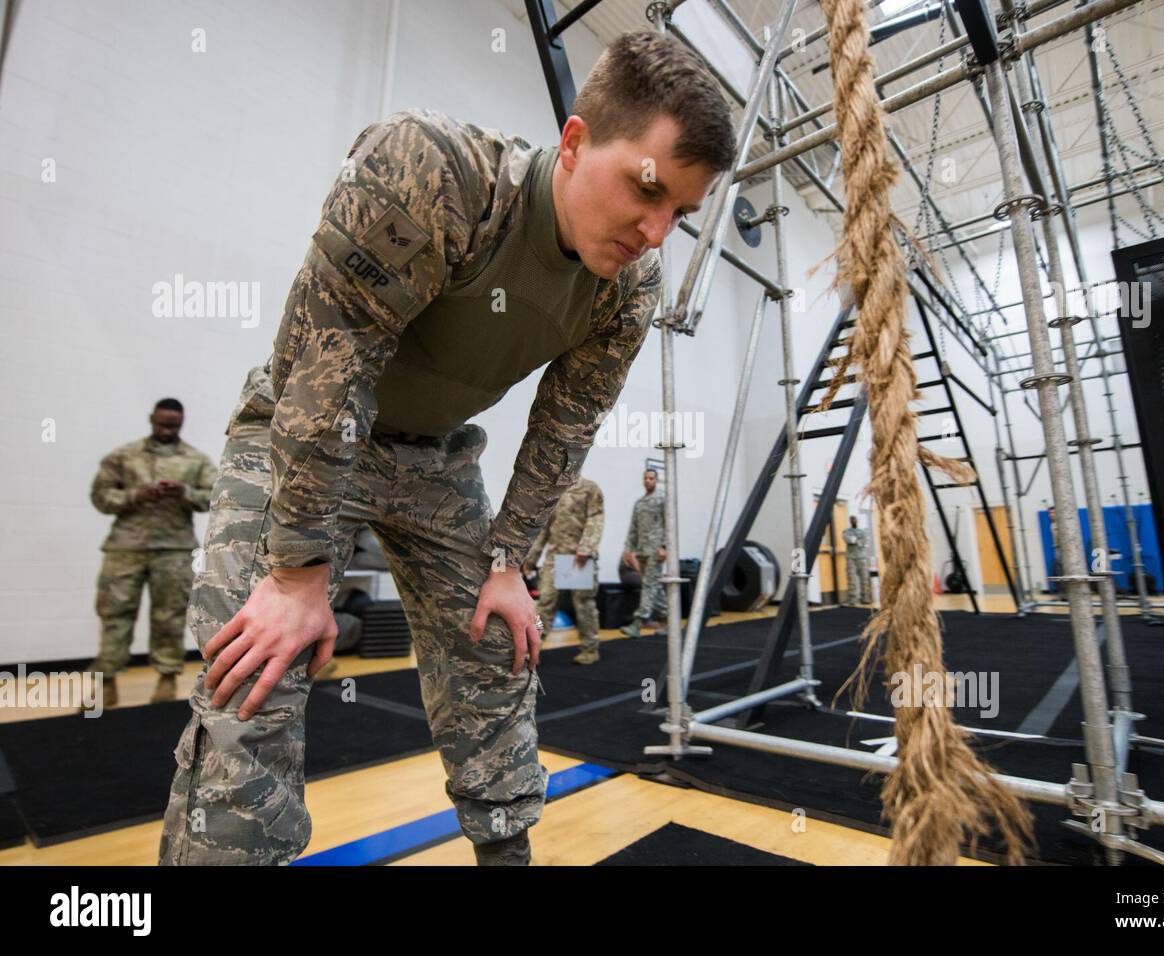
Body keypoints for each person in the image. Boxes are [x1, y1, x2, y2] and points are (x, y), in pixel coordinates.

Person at [156, 31, 734, 867]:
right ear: (574, 144)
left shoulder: (629, 289)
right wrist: (298, 574)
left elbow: (561, 430)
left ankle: (507, 856)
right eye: (646, 187)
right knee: (253, 675)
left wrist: (509, 563)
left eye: (678, 212)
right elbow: (330, 371)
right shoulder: (432, 172)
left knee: (500, 646)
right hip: (303, 432)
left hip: (436, 461)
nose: (654, 230)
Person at [88, 398, 216, 707]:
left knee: (169, 617)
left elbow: (214, 497)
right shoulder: (123, 456)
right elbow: (100, 497)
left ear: (182, 423)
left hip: (174, 550)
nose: (166, 430)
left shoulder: (196, 460)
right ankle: (106, 682)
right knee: (115, 614)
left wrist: (185, 493)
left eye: (173, 425)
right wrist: (135, 495)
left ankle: (167, 678)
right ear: (151, 419)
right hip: (125, 548)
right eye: (161, 424)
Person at [523, 473, 604, 664]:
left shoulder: (589, 488)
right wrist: (531, 558)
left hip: (579, 558)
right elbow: (544, 529)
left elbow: (596, 519)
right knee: (544, 605)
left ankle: (590, 649)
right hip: (555, 558)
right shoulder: (554, 490)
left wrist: (586, 548)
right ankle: (533, 648)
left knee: (583, 605)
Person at [620, 467, 666, 638]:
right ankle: (668, 619)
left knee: (648, 585)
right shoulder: (639, 503)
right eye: (645, 478)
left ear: (656, 480)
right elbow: (633, 529)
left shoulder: (662, 499)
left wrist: (665, 547)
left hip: (656, 551)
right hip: (642, 551)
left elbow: (670, 524)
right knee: (654, 585)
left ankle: (638, 623)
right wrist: (628, 549)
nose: (648, 481)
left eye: (651, 478)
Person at [841, 514, 870, 606]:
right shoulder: (846, 532)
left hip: (862, 558)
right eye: (851, 520)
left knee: (864, 579)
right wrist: (857, 540)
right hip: (851, 558)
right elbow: (850, 540)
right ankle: (853, 599)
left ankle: (865, 598)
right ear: (850, 521)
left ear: (857, 520)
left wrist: (856, 540)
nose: (853, 521)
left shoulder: (862, 531)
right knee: (852, 580)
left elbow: (864, 542)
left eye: (854, 519)